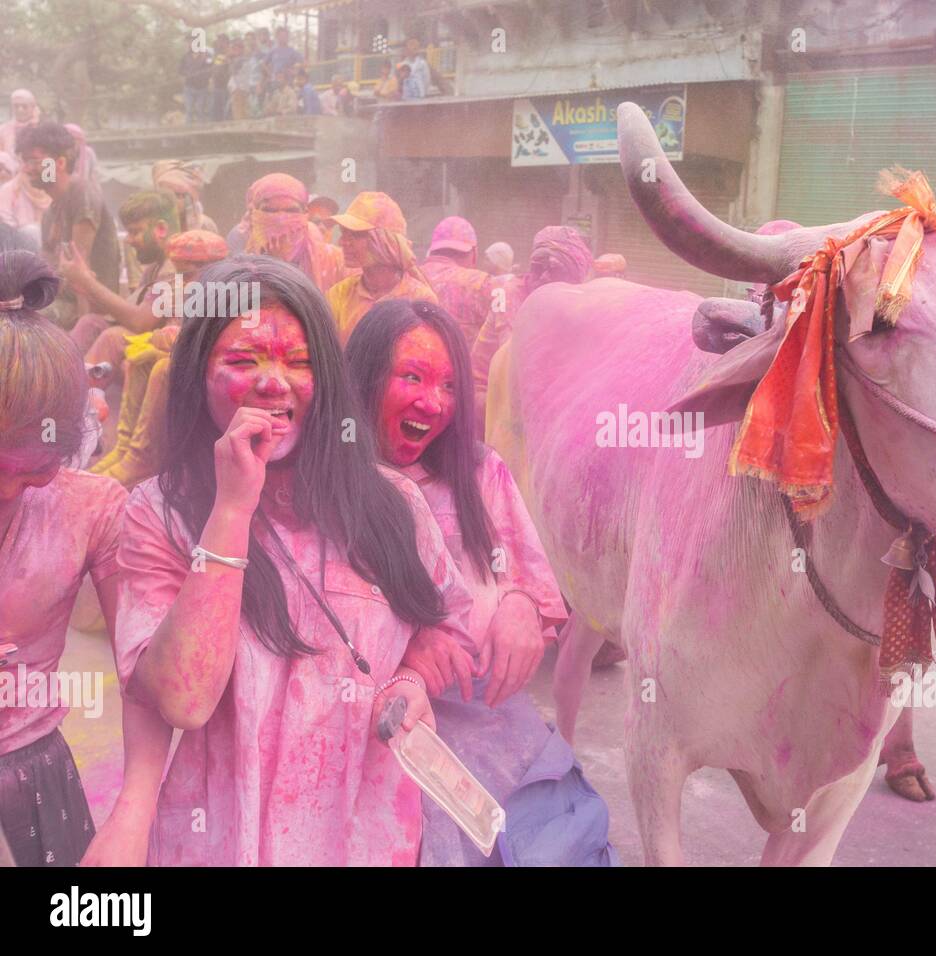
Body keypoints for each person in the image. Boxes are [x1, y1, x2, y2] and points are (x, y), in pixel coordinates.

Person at [111, 255, 476, 866]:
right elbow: (182, 700)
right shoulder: (161, 515)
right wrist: (231, 510)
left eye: (300, 363)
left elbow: (447, 623)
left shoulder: (394, 505)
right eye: (243, 361)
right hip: (219, 841)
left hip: (362, 835)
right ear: (196, 379)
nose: (275, 382)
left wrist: (414, 679)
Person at [345, 299, 617, 866]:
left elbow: (535, 583)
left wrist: (521, 603)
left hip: (487, 722)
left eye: (448, 385)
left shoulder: (478, 470)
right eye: (412, 377)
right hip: (364, 733)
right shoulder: (324, 482)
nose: (433, 402)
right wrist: (407, 655)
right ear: (363, 375)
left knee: (547, 843)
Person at [0, 250, 169, 867]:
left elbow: (144, 674)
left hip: (36, 784)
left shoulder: (89, 509)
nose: (9, 494)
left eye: (32, 475)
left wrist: (135, 809)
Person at [92, 229, 229, 488]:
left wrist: (175, 340)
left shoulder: (231, 293)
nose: (181, 280)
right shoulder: (187, 291)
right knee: (139, 360)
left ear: (214, 268)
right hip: (190, 362)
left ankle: (142, 459)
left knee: (163, 369)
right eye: (178, 273)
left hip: (221, 374)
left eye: (186, 273)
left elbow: (219, 347)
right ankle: (126, 450)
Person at [472, 225, 592, 436]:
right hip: (487, 397)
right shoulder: (510, 293)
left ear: (576, 278)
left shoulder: (579, 302)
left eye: (555, 270)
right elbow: (518, 365)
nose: (544, 276)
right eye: (537, 267)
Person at [18, 122, 121, 329]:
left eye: (35, 161)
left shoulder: (82, 194)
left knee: (20, 321)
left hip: (92, 308)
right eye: (25, 161)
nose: (27, 169)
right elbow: (44, 272)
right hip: (60, 300)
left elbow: (80, 273)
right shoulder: (50, 213)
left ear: (60, 162)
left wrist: (82, 338)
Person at [62, 190, 179, 363]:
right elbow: (124, 314)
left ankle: (74, 387)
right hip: (155, 338)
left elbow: (140, 322)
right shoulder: (154, 269)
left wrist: (87, 282)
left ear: (161, 229)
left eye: (135, 232)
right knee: (91, 323)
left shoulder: (175, 267)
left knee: (113, 338)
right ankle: (58, 375)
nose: (128, 240)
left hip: (175, 350)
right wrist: (86, 287)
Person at [326, 191, 439, 342]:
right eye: (343, 234)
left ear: (385, 241)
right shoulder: (339, 295)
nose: (343, 242)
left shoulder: (420, 298)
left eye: (355, 235)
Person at [242, 173, 347, 295]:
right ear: (253, 214)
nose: (281, 219)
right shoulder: (242, 269)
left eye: (291, 210)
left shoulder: (338, 263)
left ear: (305, 213)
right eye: (270, 210)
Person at [422, 215, 493, 346]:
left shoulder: (408, 278)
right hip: (463, 366)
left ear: (432, 250)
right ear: (474, 253)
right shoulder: (480, 283)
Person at [0, 90, 42, 163]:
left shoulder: (41, 128)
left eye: (24, 106)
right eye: (16, 106)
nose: (20, 109)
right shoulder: (2, 129)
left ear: (33, 107)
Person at [180, 47, 212, 125]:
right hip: (189, 87)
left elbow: (211, 67)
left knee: (200, 109)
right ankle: (188, 127)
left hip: (202, 87)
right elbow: (180, 70)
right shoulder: (185, 56)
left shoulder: (207, 55)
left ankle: (202, 128)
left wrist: (204, 73)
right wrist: (187, 74)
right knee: (189, 109)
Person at [209, 35, 231, 121]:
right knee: (216, 111)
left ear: (226, 42)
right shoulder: (217, 54)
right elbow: (216, 68)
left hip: (227, 86)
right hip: (217, 86)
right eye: (218, 41)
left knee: (226, 110)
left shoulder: (230, 53)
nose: (219, 43)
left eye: (221, 41)